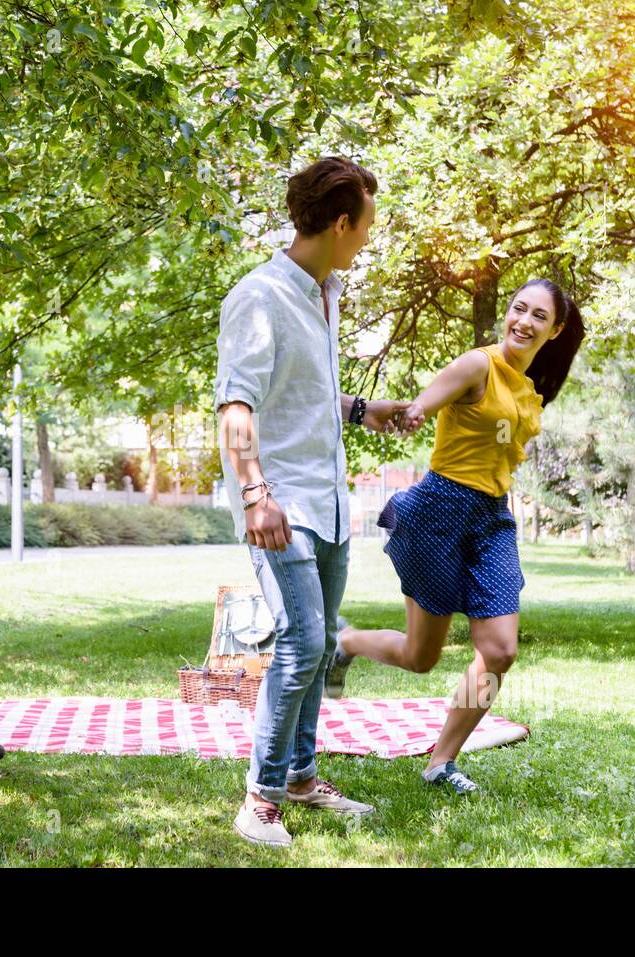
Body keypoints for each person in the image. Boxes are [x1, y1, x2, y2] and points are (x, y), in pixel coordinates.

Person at [215, 156, 411, 848]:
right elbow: (237, 404)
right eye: (366, 225)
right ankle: (260, 799)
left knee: (323, 641)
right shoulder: (259, 297)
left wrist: (365, 409)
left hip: (325, 499)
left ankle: (301, 774)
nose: (368, 238)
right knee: (299, 642)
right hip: (279, 503)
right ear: (339, 222)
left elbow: (299, 394)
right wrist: (256, 494)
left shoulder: (323, 293)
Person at [324, 278, 585, 795]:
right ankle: (345, 642)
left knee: (501, 650)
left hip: (492, 520)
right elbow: (428, 402)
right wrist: (417, 411)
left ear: (554, 331)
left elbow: (502, 447)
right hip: (438, 512)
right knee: (422, 659)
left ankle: (440, 762)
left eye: (538, 316)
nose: (523, 321)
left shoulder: (531, 391)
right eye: (518, 308)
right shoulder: (478, 365)